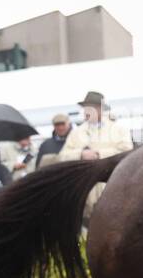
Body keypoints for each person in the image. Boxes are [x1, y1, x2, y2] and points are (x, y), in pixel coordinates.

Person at [51, 90, 134, 222]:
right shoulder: (76, 133)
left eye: (92, 107)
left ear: (101, 109)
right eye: (86, 108)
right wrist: (81, 154)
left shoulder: (118, 129)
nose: (87, 111)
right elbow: (62, 156)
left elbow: (127, 152)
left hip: (112, 186)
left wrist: (99, 154)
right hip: (84, 191)